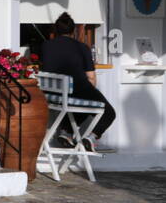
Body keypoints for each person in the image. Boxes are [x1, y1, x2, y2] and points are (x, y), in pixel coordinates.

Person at [39, 12, 116, 148]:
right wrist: (91, 91)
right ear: (73, 30)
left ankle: (66, 132)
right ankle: (91, 138)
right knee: (108, 112)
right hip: (74, 91)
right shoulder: (82, 48)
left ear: (56, 30)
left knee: (83, 103)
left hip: (51, 94)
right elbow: (91, 77)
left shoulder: (46, 46)